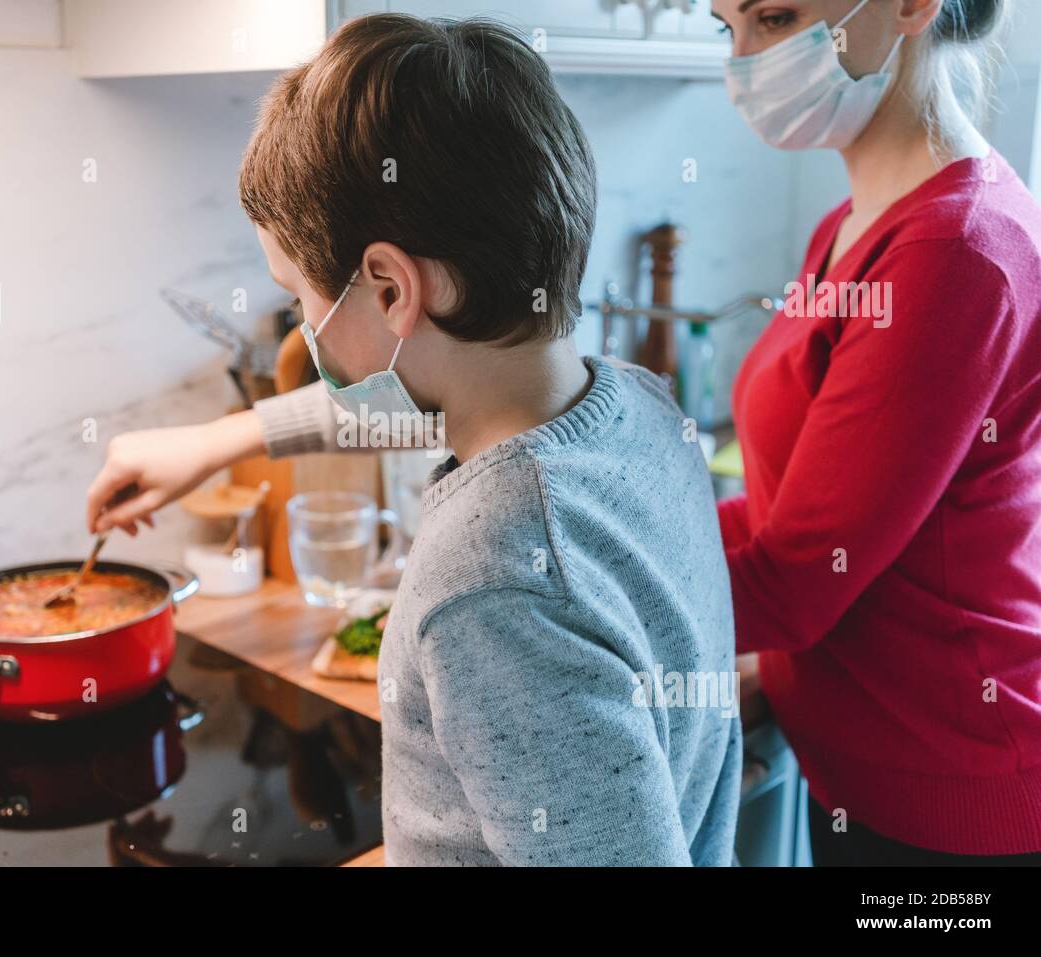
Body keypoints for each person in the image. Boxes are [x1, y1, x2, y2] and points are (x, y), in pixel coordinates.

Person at [86, 14, 742, 865]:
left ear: (392, 288)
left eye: (298, 297)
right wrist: (220, 441)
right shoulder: (639, 406)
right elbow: (412, 398)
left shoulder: (494, 583)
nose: (301, 325)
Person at [711, 0, 1041, 863]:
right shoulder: (850, 225)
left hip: (954, 801)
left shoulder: (954, 252)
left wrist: (574, 586)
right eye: (727, 28)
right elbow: (787, 508)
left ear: (910, 6)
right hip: (863, 772)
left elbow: (797, 582)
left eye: (773, 18)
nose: (743, 62)